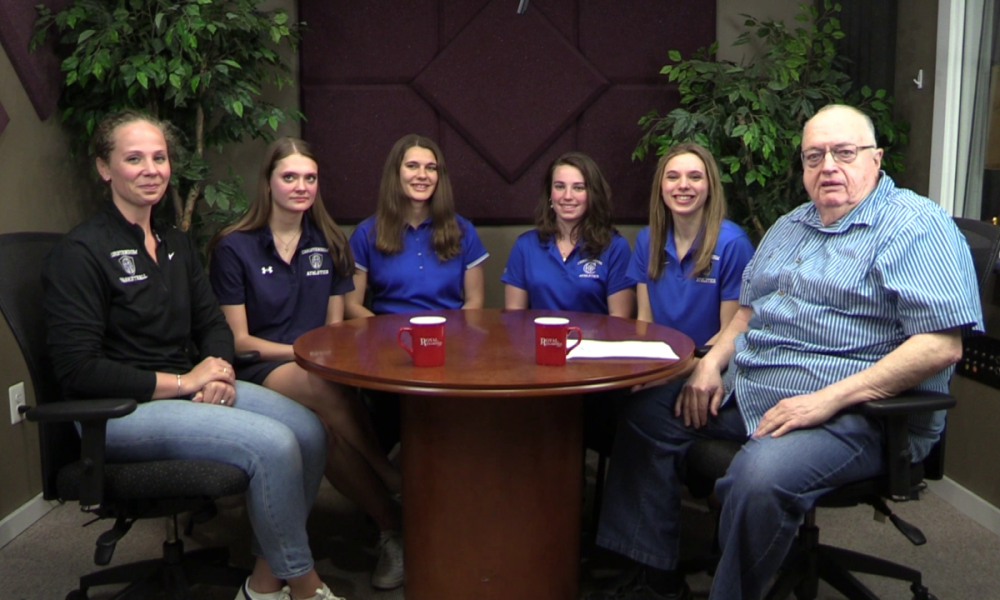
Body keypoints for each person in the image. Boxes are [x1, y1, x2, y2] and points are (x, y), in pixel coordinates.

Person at [590, 104, 983, 600]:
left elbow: (940, 346)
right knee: (647, 412)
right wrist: (710, 363)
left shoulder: (916, 226)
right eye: (814, 155)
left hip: (858, 412)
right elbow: (748, 314)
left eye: (844, 152)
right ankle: (651, 578)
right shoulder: (790, 225)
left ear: (876, 159)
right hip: (755, 388)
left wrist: (828, 400)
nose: (828, 167)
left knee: (758, 476)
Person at [42, 111, 344, 600]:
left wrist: (219, 371)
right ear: (104, 168)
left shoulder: (175, 243)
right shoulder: (81, 251)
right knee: (275, 444)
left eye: (159, 158)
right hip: (119, 412)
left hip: (189, 389)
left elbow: (212, 325)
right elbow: (80, 371)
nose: (151, 169)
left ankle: (265, 584)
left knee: (308, 430)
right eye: (133, 158)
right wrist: (185, 384)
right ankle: (306, 586)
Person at [208, 138, 404, 590]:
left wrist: (316, 354)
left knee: (325, 435)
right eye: (290, 177)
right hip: (260, 367)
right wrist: (304, 353)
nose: (301, 186)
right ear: (269, 182)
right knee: (320, 385)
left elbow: (334, 332)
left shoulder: (330, 241)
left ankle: (391, 525)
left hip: (315, 368)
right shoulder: (234, 247)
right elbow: (238, 340)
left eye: (310, 178)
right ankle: (389, 472)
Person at [344, 133, 489, 318]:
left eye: (431, 168)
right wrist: (382, 335)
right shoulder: (365, 233)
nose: (422, 175)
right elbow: (351, 304)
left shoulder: (463, 230)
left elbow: (475, 301)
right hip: (388, 341)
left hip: (449, 339)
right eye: (412, 166)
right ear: (395, 172)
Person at [629, 142, 754, 348]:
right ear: (661, 187)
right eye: (672, 177)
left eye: (695, 177)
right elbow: (644, 322)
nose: (683, 185)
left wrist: (689, 368)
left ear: (710, 186)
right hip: (659, 369)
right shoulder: (647, 240)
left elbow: (731, 333)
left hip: (710, 368)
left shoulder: (732, 244)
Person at [502, 151, 635, 317]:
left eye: (578, 188)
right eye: (559, 187)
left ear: (592, 194)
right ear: (550, 194)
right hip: (539, 341)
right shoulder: (525, 245)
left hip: (595, 342)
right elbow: (515, 320)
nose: (567, 196)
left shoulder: (615, 247)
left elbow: (620, 323)